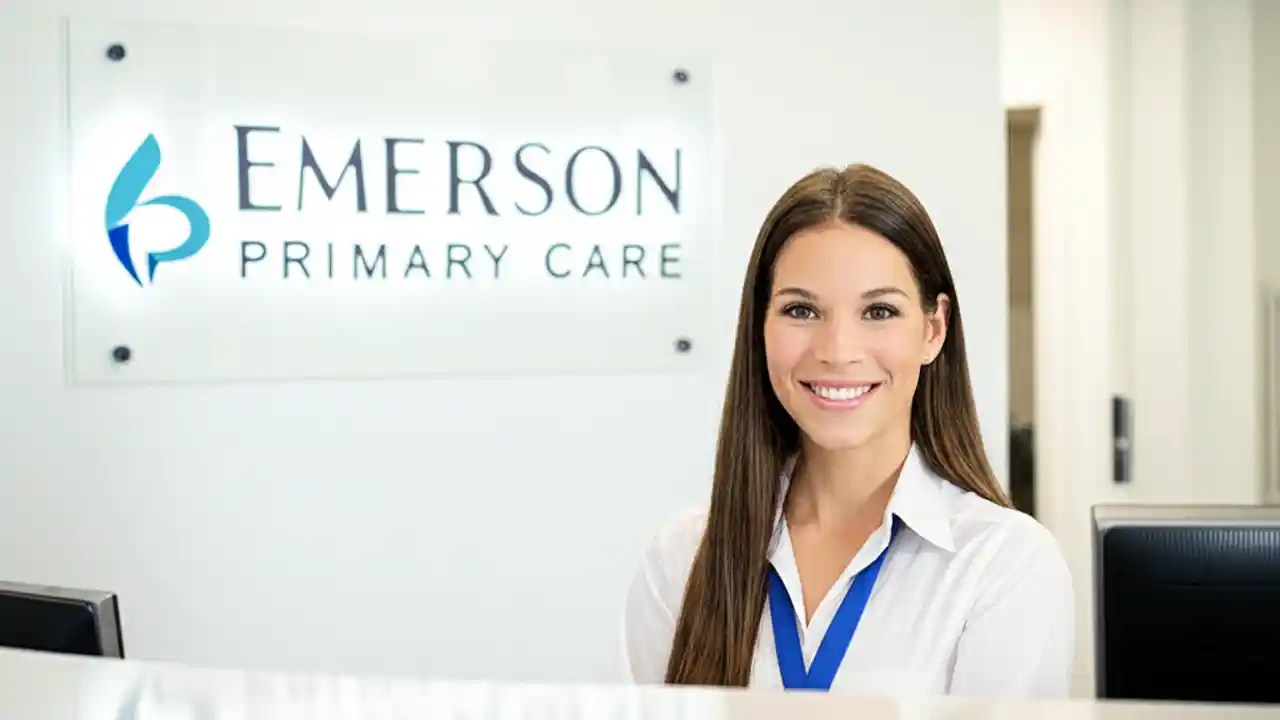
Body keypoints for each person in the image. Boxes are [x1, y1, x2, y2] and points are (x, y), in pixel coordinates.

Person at [622, 164, 1073, 697]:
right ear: (759, 327)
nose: (837, 351)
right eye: (801, 310)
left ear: (934, 329)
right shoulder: (680, 559)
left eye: (879, 311)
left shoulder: (1003, 564)